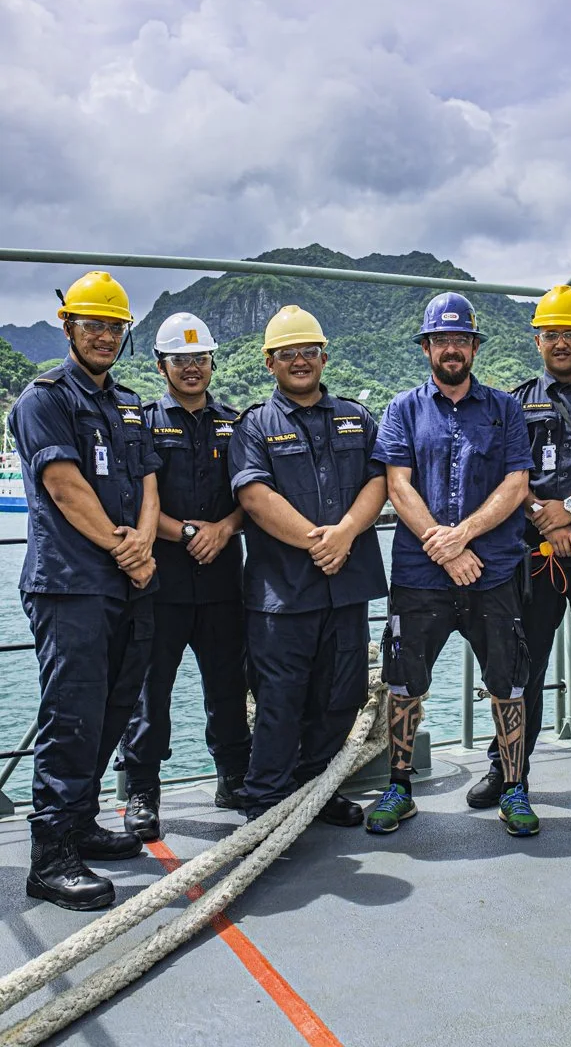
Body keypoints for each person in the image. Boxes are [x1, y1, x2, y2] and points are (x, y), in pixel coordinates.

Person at [9, 271, 160, 911]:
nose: (103, 335)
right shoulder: (43, 399)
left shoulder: (127, 403)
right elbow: (66, 487)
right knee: (71, 714)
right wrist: (124, 548)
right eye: (92, 323)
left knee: (112, 707)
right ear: (69, 326)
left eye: (113, 326)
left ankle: (80, 822)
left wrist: (143, 545)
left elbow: (150, 481)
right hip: (71, 584)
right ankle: (50, 853)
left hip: (128, 579)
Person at [366, 292, 536, 837]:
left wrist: (462, 538)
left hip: (494, 571)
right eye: (442, 340)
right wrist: (445, 548)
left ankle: (514, 788)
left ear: (474, 348)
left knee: (508, 683)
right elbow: (398, 483)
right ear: (427, 348)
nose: (452, 349)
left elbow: (517, 484)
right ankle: (399, 786)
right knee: (404, 683)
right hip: (420, 576)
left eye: (461, 340)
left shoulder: (505, 409)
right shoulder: (402, 409)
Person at [466, 285, 571, 815]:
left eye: (570, 334)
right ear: (536, 339)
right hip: (534, 558)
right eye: (550, 334)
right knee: (523, 667)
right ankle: (507, 770)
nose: (560, 343)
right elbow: (509, 473)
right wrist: (545, 517)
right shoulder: (515, 402)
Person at [228, 305, 387, 826]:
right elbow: (254, 496)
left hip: (347, 588)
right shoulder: (254, 425)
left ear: (324, 357)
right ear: (269, 362)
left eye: (309, 352)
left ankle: (314, 786)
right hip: (283, 594)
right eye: (287, 353)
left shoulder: (355, 417)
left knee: (344, 695)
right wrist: (321, 543)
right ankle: (266, 800)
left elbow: (378, 481)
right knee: (279, 699)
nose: (300, 361)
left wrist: (344, 535)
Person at [119, 313, 252, 841]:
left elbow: (252, 492)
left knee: (228, 686)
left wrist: (225, 528)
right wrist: (190, 533)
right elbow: (136, 499)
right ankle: (142, 792)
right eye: (181, 359)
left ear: (213, 363)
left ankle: (234, 779)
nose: (192, 368)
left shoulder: (235, 422)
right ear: (161, 365)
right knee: (153, 691)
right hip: (162, 584)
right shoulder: (144, 421)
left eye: (200, 358)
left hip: (223, 582)